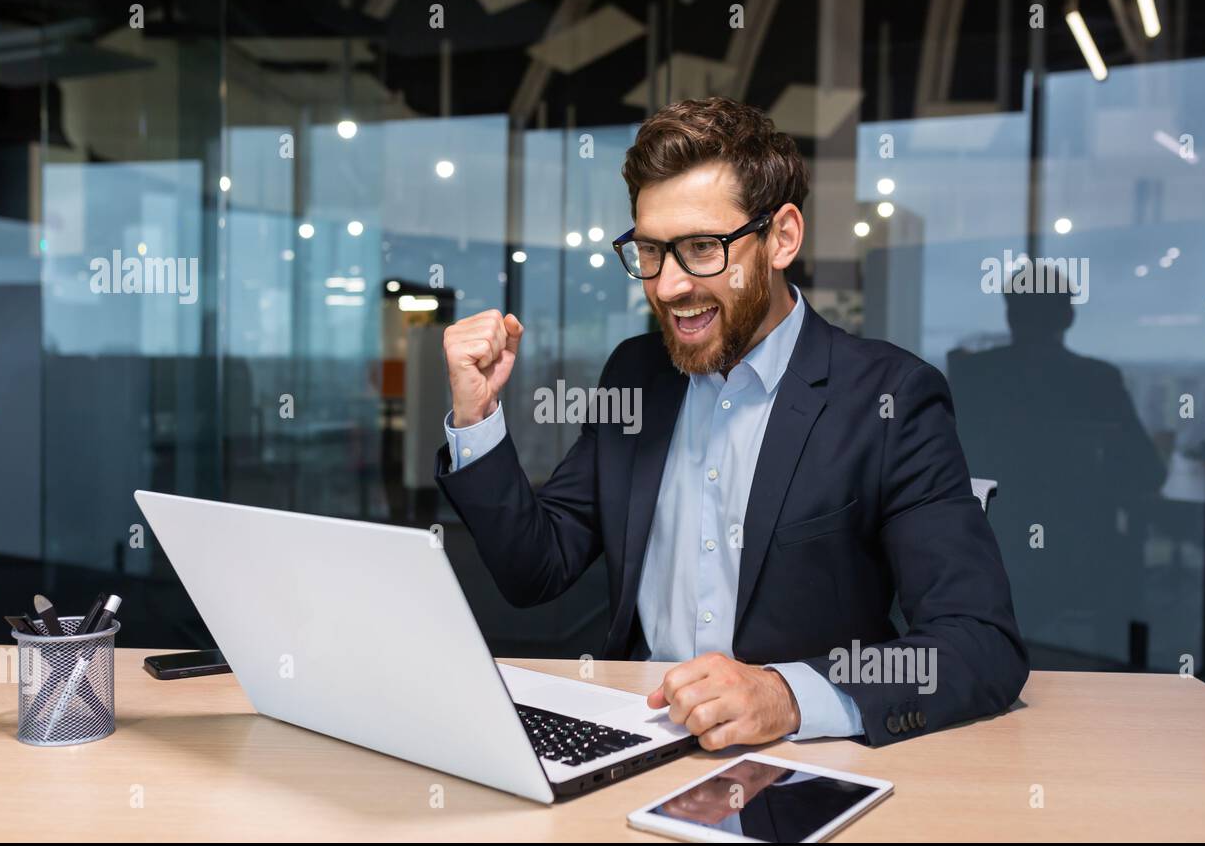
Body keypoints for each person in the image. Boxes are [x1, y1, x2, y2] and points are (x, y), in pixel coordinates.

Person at [436, 97, 1028, 749]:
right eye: (652, 251)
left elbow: (979, 645)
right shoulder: (637, 373)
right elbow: (536, 568)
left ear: (782, 238)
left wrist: (788, 695)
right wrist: (478, 415)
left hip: (803, 763)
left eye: (701, 248)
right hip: (635, 736)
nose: (666, 287)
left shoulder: (890, 398)